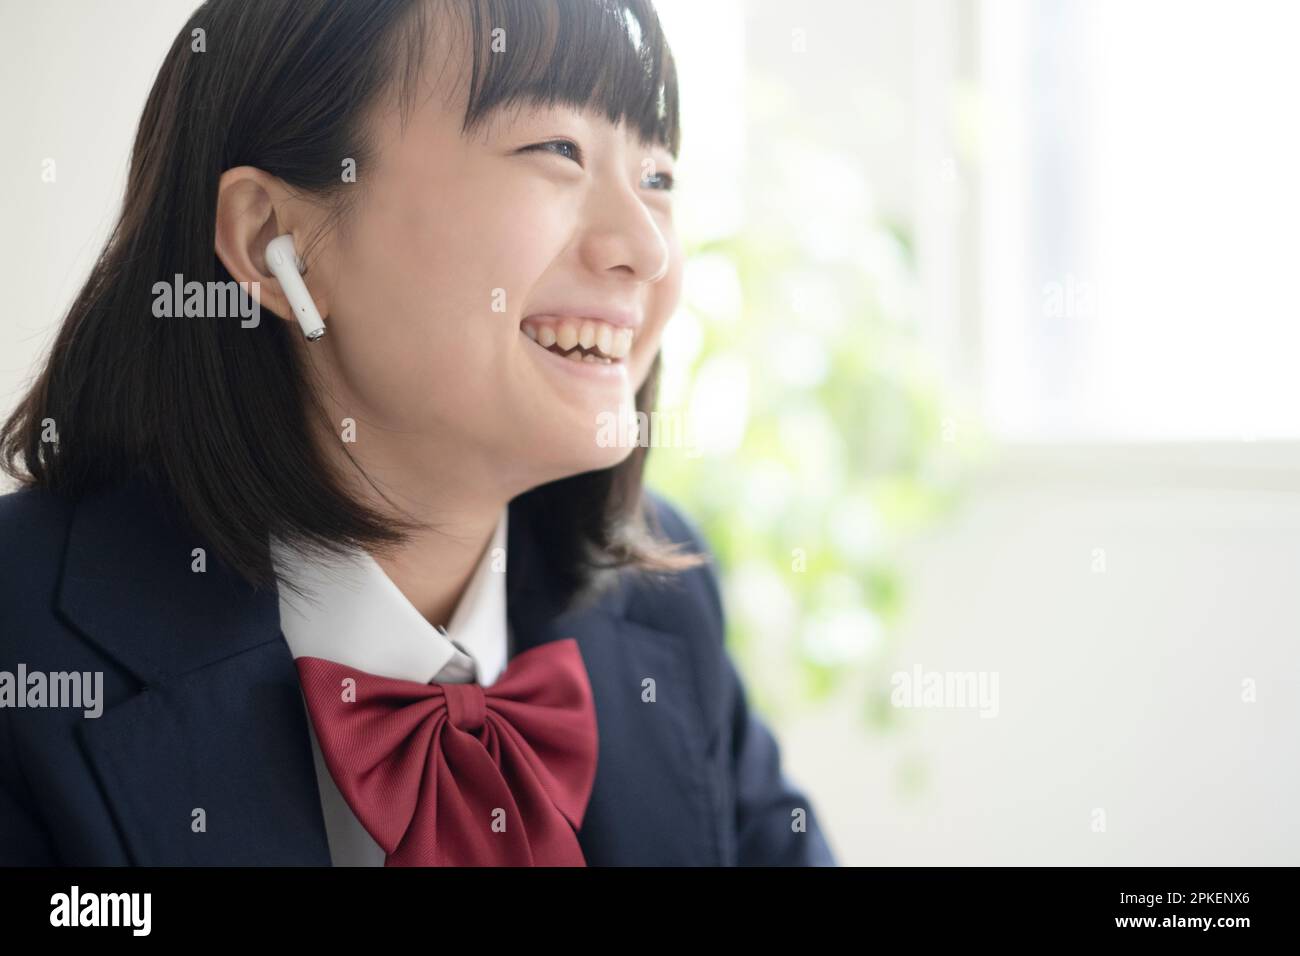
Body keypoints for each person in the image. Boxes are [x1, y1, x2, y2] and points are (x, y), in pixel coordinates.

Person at [0, 0, 836, 866]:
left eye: (658, 176)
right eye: (557, 149)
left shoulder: (664, 607)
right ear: (277, 240)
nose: (647, 250)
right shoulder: (23, 643)